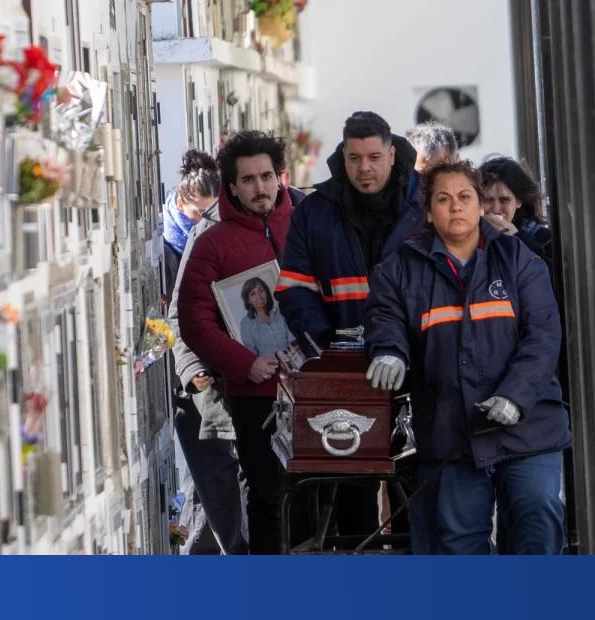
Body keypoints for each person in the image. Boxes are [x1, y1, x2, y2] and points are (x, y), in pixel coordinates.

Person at [363, 160, 571, 555]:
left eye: (464, 197)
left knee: (537, 511)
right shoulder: (400, 270)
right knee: (459, 541)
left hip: (529, 426)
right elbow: (384, 318)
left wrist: (515, 396)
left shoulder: (519, 260)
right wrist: (389, 351)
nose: (455, 207)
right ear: (427, 212)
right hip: (453, 432)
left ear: (479, 206)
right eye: (443, 199)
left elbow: (543, 336)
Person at [277, 111, 426, 538]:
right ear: (343, 156)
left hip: (417, 363)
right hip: (342, 367)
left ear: (392, 154)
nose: (365, 168)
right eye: (355, 157)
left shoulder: (422, 208)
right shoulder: (316, 211)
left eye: (375, 157)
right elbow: (294, 287)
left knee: (415, 485)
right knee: (350, 480)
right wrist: (327, 346)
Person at [178, 131, 295, 554]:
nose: (260, 188)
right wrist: (245, 364)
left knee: (316, 497)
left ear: (280, 177)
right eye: (248, 180)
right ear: (231, 186)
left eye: (266, 176)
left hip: (313, 388)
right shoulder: (212, 244)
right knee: (265, 498)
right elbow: (193, 319)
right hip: (255, 395)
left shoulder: (306, 223)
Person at [162, 149, 247, 555]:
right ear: (181, 203)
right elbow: (174, 313)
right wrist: (191, 366)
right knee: (210, 476)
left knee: (222, 481)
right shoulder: (166, 242)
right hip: (191, 379)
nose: (203, 220)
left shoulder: (222, 236)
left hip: (227, 373)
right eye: (198, 213)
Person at [162, 149, 221, 292]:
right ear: (180, 204)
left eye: (212, 211)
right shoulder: (165, 250)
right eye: (200, 213)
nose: (206, 220)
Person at [478, 156, 553, 263]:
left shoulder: (544, 240)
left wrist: (517, 240)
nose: (496, 208)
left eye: (504, 200)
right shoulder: (465, 238)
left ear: (518, 201)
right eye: (488, 200)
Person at [239, 277, 294, 358]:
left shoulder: (281, 312)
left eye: (261, 290)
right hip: (269, 368)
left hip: (293, 360)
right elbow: (252, 356)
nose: (259, 296)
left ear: (266, 292)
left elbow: (292, 341)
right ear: (248, 300)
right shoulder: (245, 324)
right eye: (252, 294)